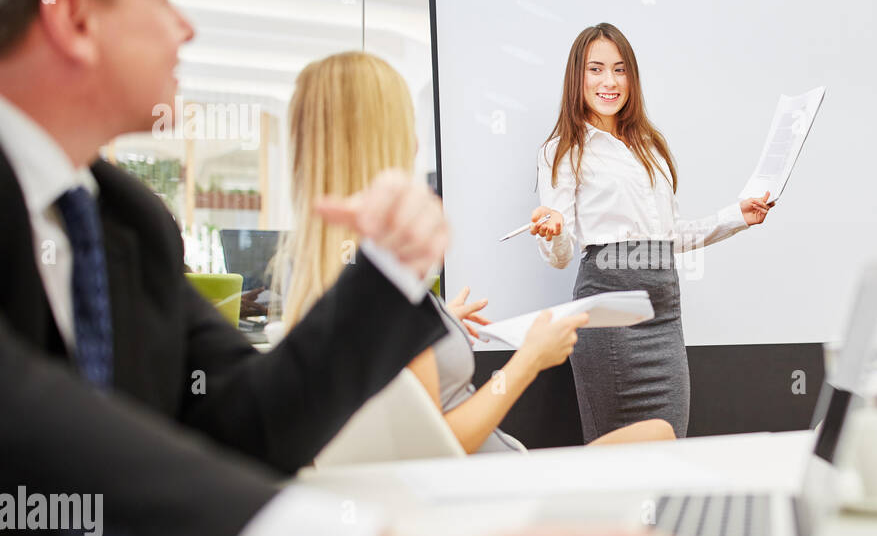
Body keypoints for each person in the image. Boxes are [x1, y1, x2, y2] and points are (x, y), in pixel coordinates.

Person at [0, 0, 709, 536]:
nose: (185, 28)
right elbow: (31, 429)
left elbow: (246, 423)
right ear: (74, 17)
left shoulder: (127, 221)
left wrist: (386, 276)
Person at [277, 51, 675, 453]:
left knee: (658, 433)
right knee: (659, 440)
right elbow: (442, 445)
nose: (415, 144)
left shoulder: (331, 281)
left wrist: (441, 322)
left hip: (497, 464)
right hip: (494, 484)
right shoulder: (378, 288)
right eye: (403, 127)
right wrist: (529, 360)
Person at [532, 23, 773, 442]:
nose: (609, 81)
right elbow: (561, 255)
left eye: (620, 70)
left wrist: (736, 216)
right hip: (608, 316)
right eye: (596, 69)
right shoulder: (563, 148)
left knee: (670, 449)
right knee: (618, 462)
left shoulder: (649, 145)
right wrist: (552, 230)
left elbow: (667, 237)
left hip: (665, 320)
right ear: (577, 77)